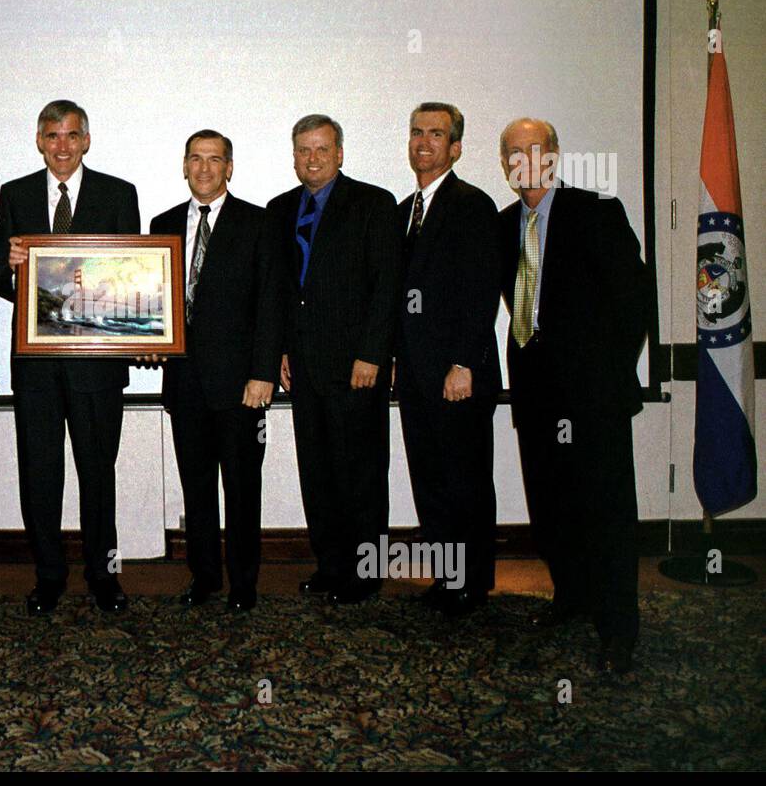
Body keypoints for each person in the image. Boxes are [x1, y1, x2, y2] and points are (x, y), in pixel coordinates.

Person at [499, 117, 649, 674]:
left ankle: (618, 629)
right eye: (513, 152)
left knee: (606, 513)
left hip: (592, 399)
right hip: (534, 394)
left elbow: (634, 301)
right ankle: (571, 597)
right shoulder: (501, 225)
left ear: (555, 155)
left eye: (533, 150)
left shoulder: (596, 212)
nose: (523, 161)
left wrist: (607, 377)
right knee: (551, 505)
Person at [0, 100, 140, 615]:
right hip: (36, 369)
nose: (62, 146)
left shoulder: (119, 194)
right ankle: (48, 576)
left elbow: (132, 276)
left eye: (72, 135)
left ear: (87, 140)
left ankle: (104, 576)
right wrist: (9, 267)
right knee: (41, 474)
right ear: (38, 140)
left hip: (96, 366)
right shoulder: (16, 194)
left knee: (99, 474)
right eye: (52, 136)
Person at [267, 115, 402, 605]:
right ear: (294, 154)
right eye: (303, 150)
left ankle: (365, 574)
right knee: (318, 472)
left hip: (355, 367)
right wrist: (280, 347)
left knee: (361, 474)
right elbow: (280, 289)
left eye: (322, 149)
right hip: (303, 366)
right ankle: (330, 565)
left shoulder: (373, 203)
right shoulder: (280, 210)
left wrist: (373, 354)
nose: (313, 158)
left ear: (340, 153)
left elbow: (387, 285)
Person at [149, 130, 279, 611]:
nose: (204, 168)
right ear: (183, 166)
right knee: (197, 490)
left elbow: (271, 302)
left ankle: (244, 585)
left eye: (215, 160)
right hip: (183, 384)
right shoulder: (161, 225)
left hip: (242, 386)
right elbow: (150, 302)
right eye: (195, 159)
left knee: (243, 490)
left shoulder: (258, 223)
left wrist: (263, 372)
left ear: (229, 167)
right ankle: (204, 580)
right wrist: (149, 342)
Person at [394, 103, 500, 616]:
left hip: (459, 374)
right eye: (417, 132)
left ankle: (473, 584)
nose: (424, 142)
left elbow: (481, 293)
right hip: (416, 376)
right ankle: (447, 576)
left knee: (465, 481)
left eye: (436, 134)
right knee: (430, 481)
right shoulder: (404, 210)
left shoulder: (471, 205)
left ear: (455, 148)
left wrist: (464, 363)